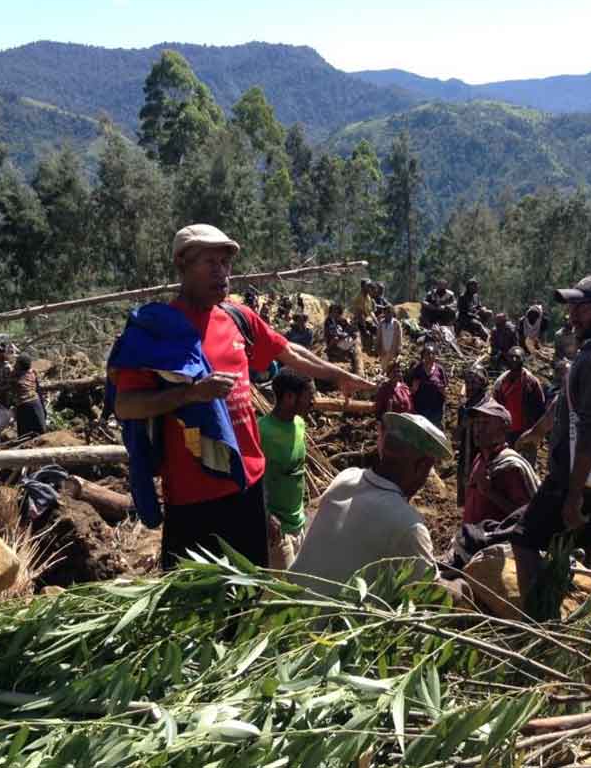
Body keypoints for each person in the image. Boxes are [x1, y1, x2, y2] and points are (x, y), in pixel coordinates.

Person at [110, 224, 374, 570]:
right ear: (182, 265)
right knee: (194, 609)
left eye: (225, 262)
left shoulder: (237, 317)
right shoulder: (157, 332)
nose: (222, 271)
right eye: (209, 262)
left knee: (247, 597)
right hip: (192, 495)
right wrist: (190, 394)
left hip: (247, 484)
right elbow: (125, 405)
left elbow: (287, 350)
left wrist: (336, 374)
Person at [512, 275, 591, 597]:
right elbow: (568, 404)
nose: (571, 317)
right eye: (571, 308)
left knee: (524, 538)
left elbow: (589, 434)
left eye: (581, 309)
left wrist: (573, 495)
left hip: (575, 477)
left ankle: (539, 624)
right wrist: (537, 432)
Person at [290, 412, 453, 593]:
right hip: (327, 621)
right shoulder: (408, 525)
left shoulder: (345, 478)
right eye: (428, 470)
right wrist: (460, 586)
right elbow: (431, 593)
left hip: (285, 606)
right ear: (420, 466)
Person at [258, 370, 315, 570]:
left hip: (298, 522)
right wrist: (266, 516)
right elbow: (251, 479)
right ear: (290, 397)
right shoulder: (262, 431)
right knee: (284, 592)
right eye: (309, 396)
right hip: (277, 529)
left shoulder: (300, 424)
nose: (313, 402)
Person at [463, 397, 540, 525]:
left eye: (486, 423)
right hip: (473, 540)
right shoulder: (480, 458)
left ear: (503, 428)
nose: (478, 429)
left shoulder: (510, 468)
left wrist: (491, 493)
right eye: (476, 423)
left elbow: (527, 518)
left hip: (496, 543)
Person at [492, 347, 546, 465]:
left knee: (527, 464)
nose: (514, 359)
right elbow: (495, 406)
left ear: (523, 359)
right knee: (507, 464)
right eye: (511, 357)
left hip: (526, 431)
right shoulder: (501, 382)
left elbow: (540, 407)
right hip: (507, 431)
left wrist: (538, 432)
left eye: (517, 357)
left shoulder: (531, 382)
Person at [455, 367, 489, 507]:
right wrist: (464, 425)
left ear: (481, 385)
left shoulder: (488, 406)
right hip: (466, 456)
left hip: (483, 457)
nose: (469, 386)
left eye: (474, 383)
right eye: (468, 382)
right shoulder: (464, 408)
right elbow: (457, 436)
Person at [409, 344, 448, 429]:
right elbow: (412, 389)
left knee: (434, 430)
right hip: (420, 407)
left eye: (432, 353)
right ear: (423, 356)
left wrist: (443, 392)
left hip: (436, 408)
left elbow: (445, 388)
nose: (430, 356)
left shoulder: (440, 369)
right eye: (428, 353)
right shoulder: (418, 369)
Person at [11, 354, 47, 437]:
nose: (14, 365)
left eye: (16, 363)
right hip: (35, 403)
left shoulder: (14, 376)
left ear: (20, 365)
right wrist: (43, 408)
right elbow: (39, 391)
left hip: (23, 406)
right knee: (40, 433)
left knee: (24, 435)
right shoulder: (32, 373)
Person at [323, 304, 360, 375]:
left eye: (337, 311)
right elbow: (332, 333)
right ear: (331, 312)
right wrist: (344, 334)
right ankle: (328, 350)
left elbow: (349, 328)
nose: (335, 313)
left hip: (342, 338)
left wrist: (351, 330)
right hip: (331, 338)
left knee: (354, 338)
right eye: (333, 311)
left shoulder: (342, 320)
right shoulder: (328, 321)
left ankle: (350, 356)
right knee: (335, 338)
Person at [375, 304, 403, 373]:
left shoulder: (396, 324)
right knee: (384, 368)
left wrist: (399, 349)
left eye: (389, 312)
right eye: (386, 312)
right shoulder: (381, 323)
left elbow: (400, 337)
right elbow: (378, 336)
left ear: (392, 313)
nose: (387, 314)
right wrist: (377, 347)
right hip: (383, 350)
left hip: (393, 351)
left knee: (392, 369)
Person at [351, 279, 378, 348]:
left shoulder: (368, 297)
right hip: (359, 320)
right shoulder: (359, 297)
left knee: (377, 328)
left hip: (366, 319)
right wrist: (364, 329)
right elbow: (359, 314)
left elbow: (370, 312)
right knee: (369, 331)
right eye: (368, 286)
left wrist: (377, 323)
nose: (370, 287)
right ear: (363, 287)